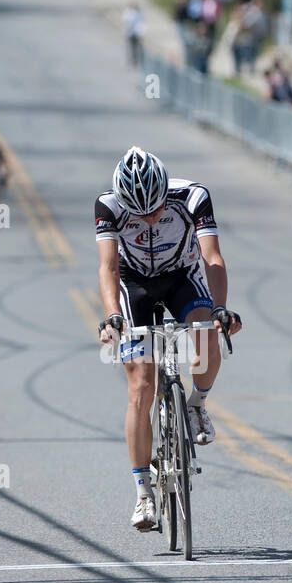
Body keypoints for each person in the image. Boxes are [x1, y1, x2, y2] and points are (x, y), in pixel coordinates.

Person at [94, 147, 242, 531]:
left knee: (206, 334)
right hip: (135, 284)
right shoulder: (108, 207)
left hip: (181, 277)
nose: (150, 218)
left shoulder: (192, 197)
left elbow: (212, 258)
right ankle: (143, 493)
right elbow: (108, 267)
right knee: (140, 387)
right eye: (140, 214)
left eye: (156, 209)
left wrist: (221, 308)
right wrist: (112, 314)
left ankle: (195, 404)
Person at [123, 3, 144, 68]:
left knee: (134, 48)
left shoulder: (135, 14)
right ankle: (133, 61)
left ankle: (134, 61)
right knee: (132, 48)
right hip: (132, 33)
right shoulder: (132, 14)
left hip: (134, 33)